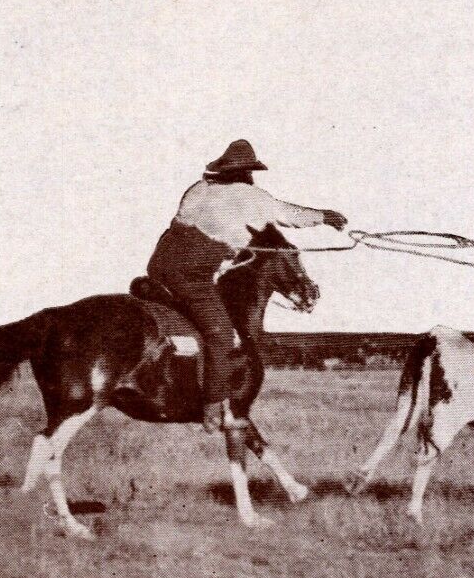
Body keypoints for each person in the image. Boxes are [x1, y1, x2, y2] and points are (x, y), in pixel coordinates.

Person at [146, 139, 347, 432]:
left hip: (158, 266)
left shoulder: (197, 189)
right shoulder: (251, 197)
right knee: (221, 332)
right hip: (191, 274)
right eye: (250, 172)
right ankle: (212, 408)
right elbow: (288, 214)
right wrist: (325, 217)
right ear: (245, 172)